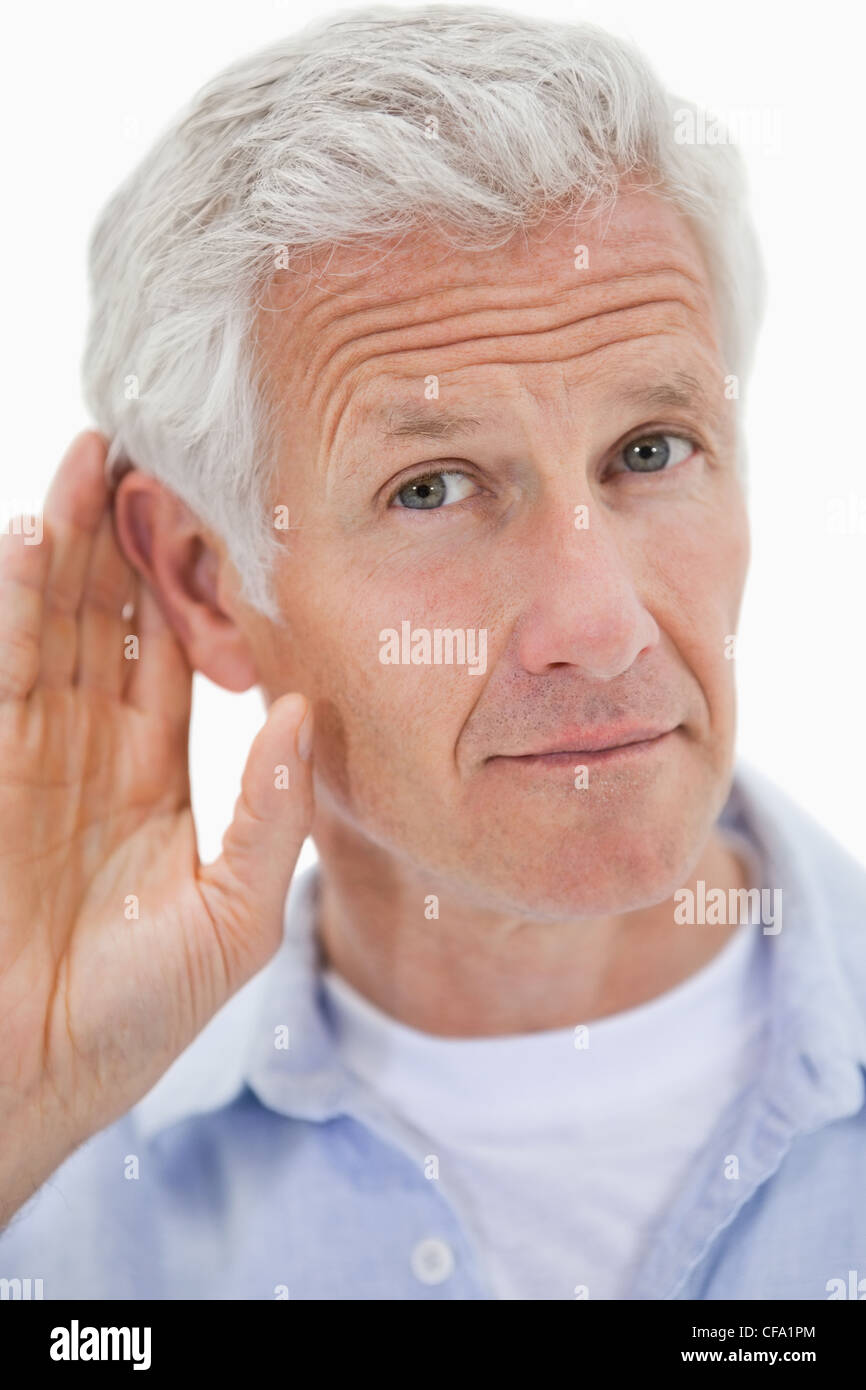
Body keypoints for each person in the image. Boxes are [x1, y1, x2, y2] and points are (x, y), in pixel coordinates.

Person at [1, 5, 864, 1302]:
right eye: (432, 486)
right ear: (205, 583)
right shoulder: (50, 1160)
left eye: (647, 451)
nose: (601, 626)